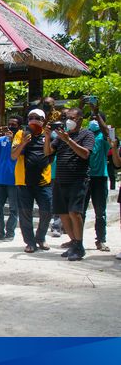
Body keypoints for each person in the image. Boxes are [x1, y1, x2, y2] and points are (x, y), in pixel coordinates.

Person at [45, 108, 95, 260]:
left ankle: (79, 246)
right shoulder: (60, 137)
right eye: (67, 117)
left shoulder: (87, 134)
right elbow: (47, 152)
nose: (68, 120)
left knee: (74, 212)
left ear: (80, 119)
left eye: (72, 117)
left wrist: (68, 140)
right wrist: (47, 137)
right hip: (60, 180)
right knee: (63, 213)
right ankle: (73, 243)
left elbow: (85, 154)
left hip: (78, 180)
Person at [11, 109, 53, 253]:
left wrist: (47, 137)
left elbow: (48, 154)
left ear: (43, 120)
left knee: (47, 211)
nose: (33, 120)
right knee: (25, 213)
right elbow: (13, 156)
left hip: (43, 181)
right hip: (24, 182)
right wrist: (23, 143)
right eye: (30, 118)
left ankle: (40, 237)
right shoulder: (20, 134)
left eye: (37, 118)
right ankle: (29, 242)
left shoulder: (48, 135)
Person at [0, 115, 21, 241]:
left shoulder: (22, 139)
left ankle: (10, 233)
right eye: (10, 124)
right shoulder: (1, 139)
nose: (11, 126)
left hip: (14, 179)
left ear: (19, 127)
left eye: (14, 125)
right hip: (0, 179)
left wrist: (12, 140)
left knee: (13, 209)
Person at [83, 120, 111, 252]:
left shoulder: (105, 135)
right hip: (84, 177)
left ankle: (101, 240)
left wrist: (97, 114)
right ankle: (76, 240)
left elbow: (109, 135)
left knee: (100, 212)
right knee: (79, 211)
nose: (93, 120)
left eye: (96, 118)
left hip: (100, 177)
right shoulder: (86, 134)